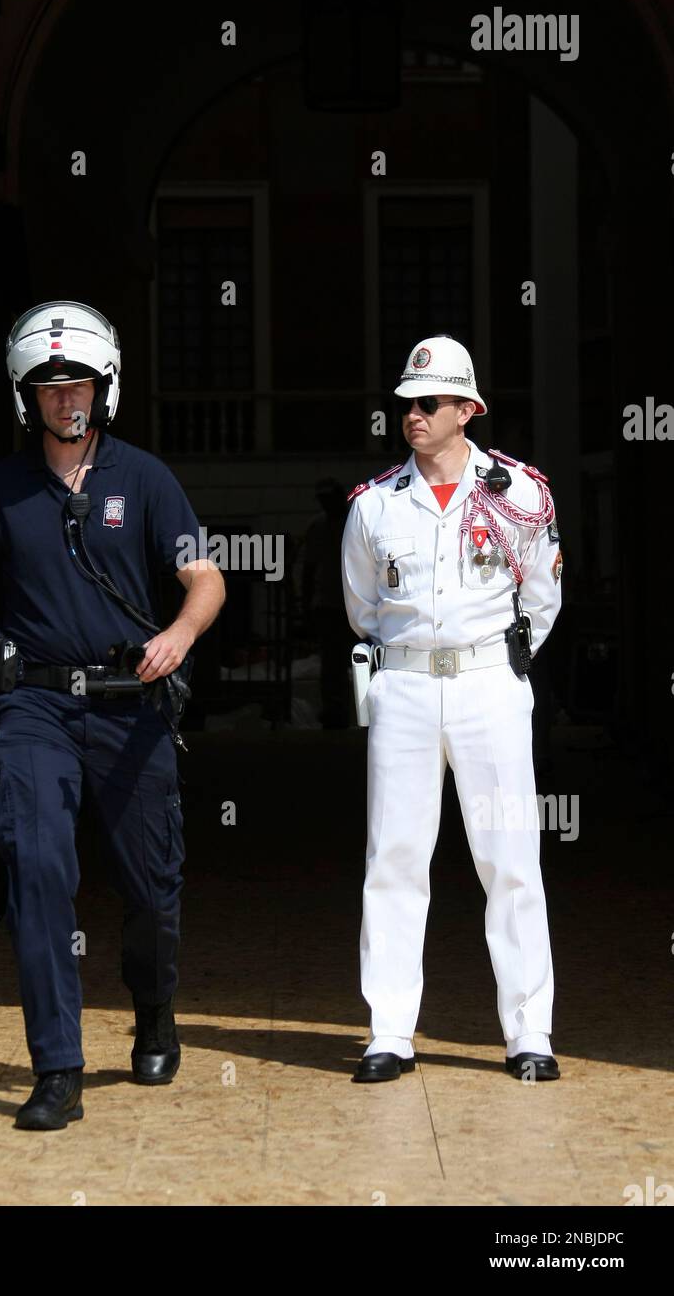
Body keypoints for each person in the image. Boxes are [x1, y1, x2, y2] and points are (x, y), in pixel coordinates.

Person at [0, 301, 225, 1129]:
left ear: (105, 389)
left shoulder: (146, 479)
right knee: (38, 868)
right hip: (35, 708)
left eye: (80, 384)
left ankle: (155, 1011)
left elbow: (205, 577)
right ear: (26, 396)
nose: (66, 399)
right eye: (50, 385)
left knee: (149, 884)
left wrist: (177, 632)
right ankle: (56, 1066)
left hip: (131, 708)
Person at [341, 334, 563, 1084]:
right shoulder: (373, 505)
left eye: (429, 403)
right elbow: (363, 607)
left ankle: (529, 1033)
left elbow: (540, 597)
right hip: (402, 688)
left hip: (487, 686)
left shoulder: (519, 495)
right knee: (394, 861)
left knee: (509, 861)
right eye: (405, 402)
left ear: (468, 409)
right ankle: (389, 1034)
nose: (413, 414)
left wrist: (494, 662)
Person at [302, 478, 358, 728]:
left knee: (359, 659)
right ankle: (335, 710)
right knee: (332, 663)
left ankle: (359, 710)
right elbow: (309, 567)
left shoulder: (355, 522)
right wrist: (306, 605)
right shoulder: (318, 526)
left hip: (355, 603)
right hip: (329, 603)